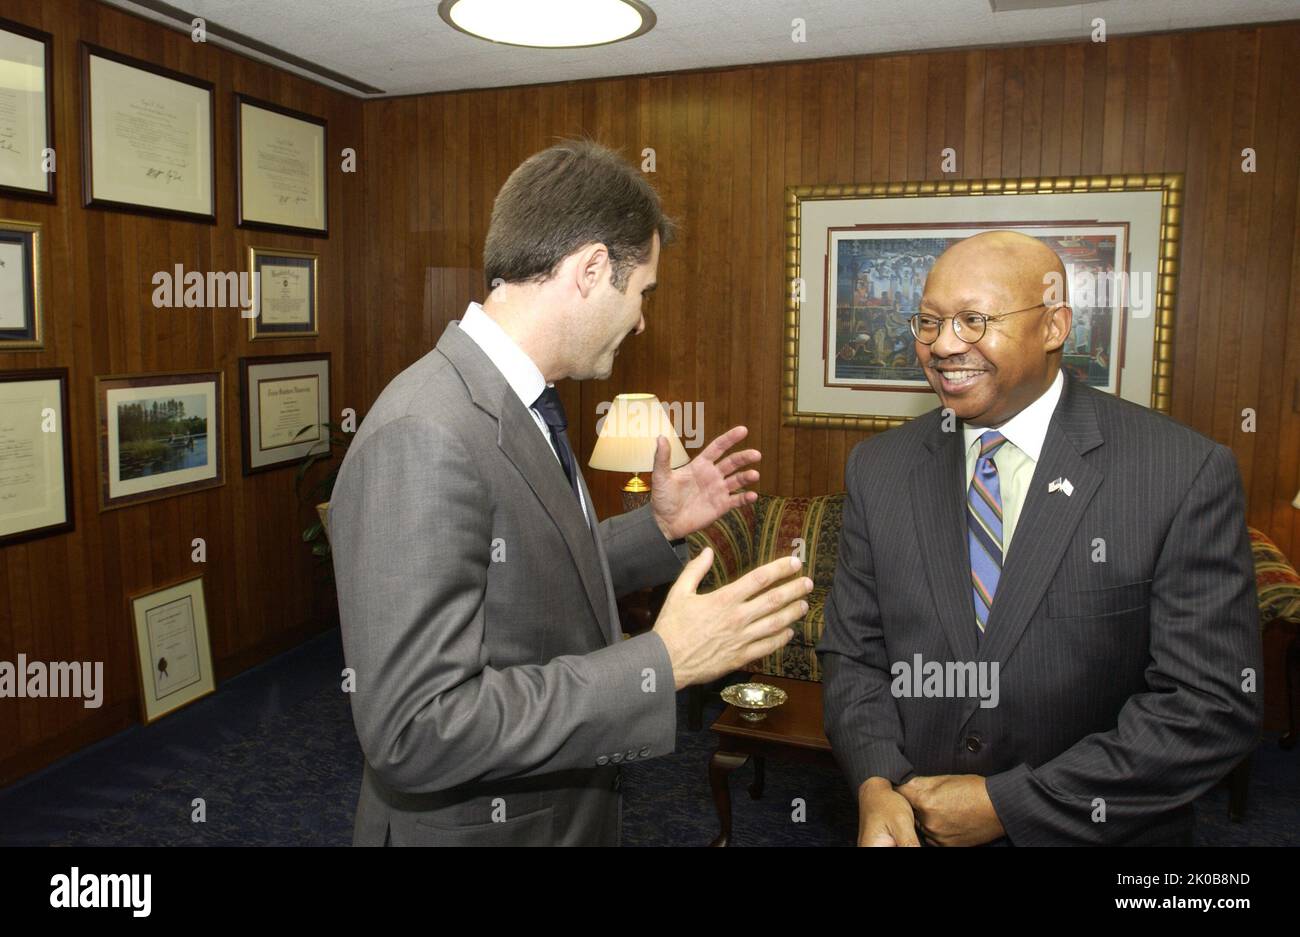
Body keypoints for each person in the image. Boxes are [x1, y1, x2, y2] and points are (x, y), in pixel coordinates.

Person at [329, 140, 812, 846]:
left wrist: (659, 524)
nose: (643, 319)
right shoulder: (424, 432)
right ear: (591, 270)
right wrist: (662, 662)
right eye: (642, 292)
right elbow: (415, 727)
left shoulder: (521, 400)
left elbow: (528, 568)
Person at [818, 230, 1262, 846]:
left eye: (974, 320)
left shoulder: (1180, 473)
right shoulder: (879, 468)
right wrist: (876, 782)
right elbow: (854, 653)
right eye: (928, 321)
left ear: (1055, 326)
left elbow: (1209, 706)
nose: (944, 345)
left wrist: (1009, 805)